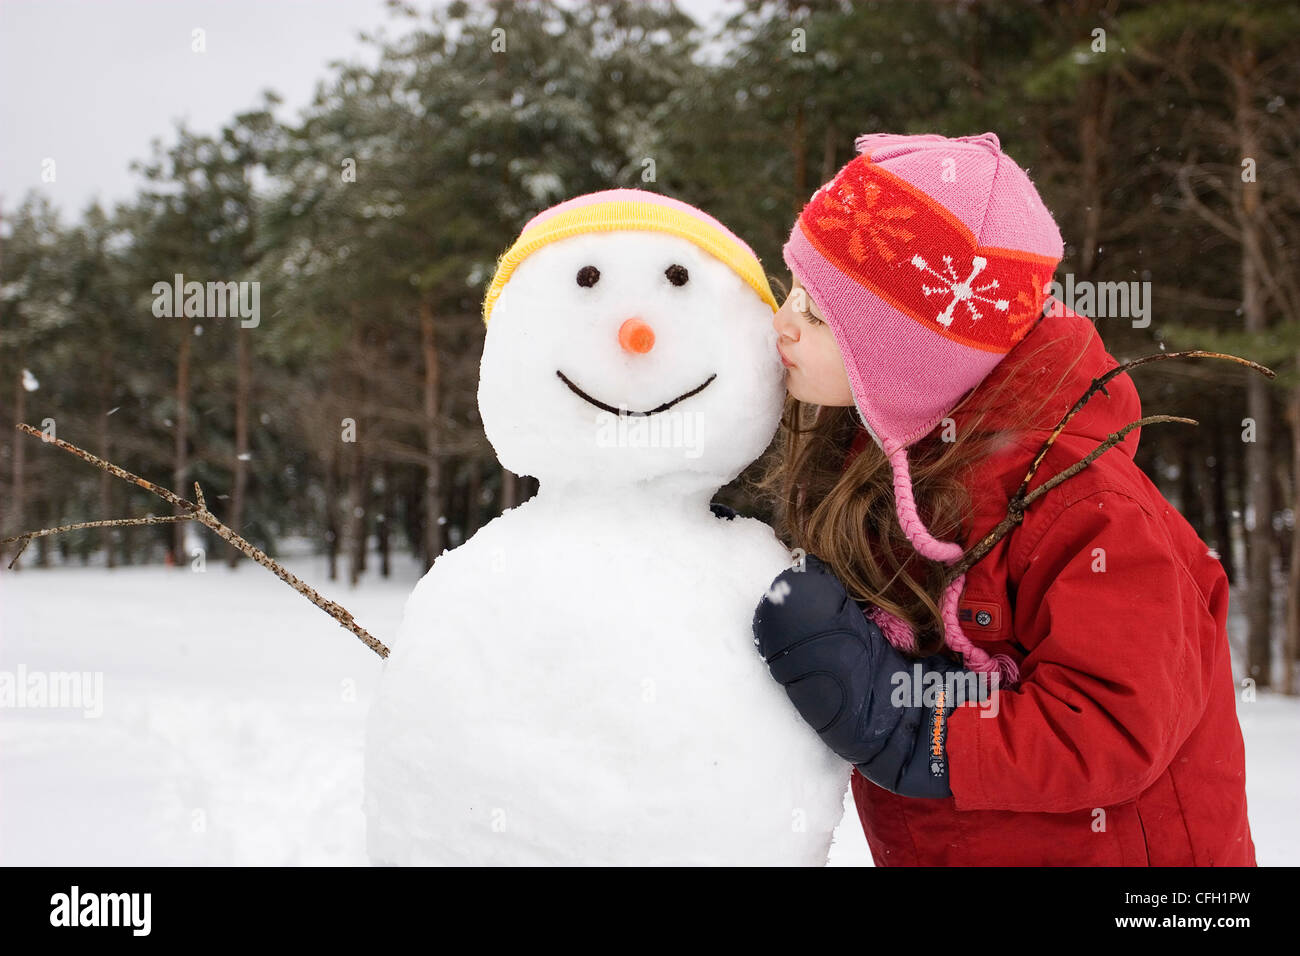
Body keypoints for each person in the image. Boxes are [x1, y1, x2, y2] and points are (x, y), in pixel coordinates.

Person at [752, 131, 1256, 866]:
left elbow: (1116, 725)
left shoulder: (1086, 507)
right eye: (792, 289)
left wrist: (908, 729)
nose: (782, 324)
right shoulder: (891, 463)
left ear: (915, 355)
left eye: (819, 312)